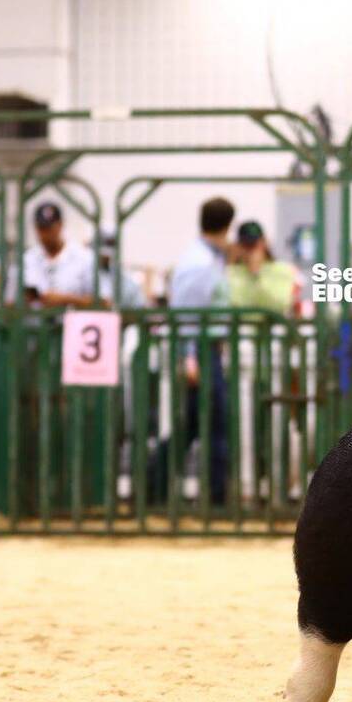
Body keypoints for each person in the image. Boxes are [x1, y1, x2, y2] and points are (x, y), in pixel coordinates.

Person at [146, 197, 235, 508]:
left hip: (205, 350)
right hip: (200, 350)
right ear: (227, 225)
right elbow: (185, 314)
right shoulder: (201, 263)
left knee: (195, 424)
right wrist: (188, 356)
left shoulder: (207, 258)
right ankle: (215, 499)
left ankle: (153, 485)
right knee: (215, 425)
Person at [20, 202, 96, 307]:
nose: (45, 234)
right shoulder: (26, 260)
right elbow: (7, 303)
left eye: (49, 228)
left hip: (71, 316)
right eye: (41, 228)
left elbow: (104, 302)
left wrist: (66, 299)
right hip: (33, 317)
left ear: (60, 225)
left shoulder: (84, 258)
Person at [227, 220, 301, 316]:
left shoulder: (284, 270)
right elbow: (232, 304)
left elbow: (279, 305)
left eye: (253, 245)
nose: (250, 250)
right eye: (245, 245)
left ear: (265, 243)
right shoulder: (231, 272)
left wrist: (256, 273)